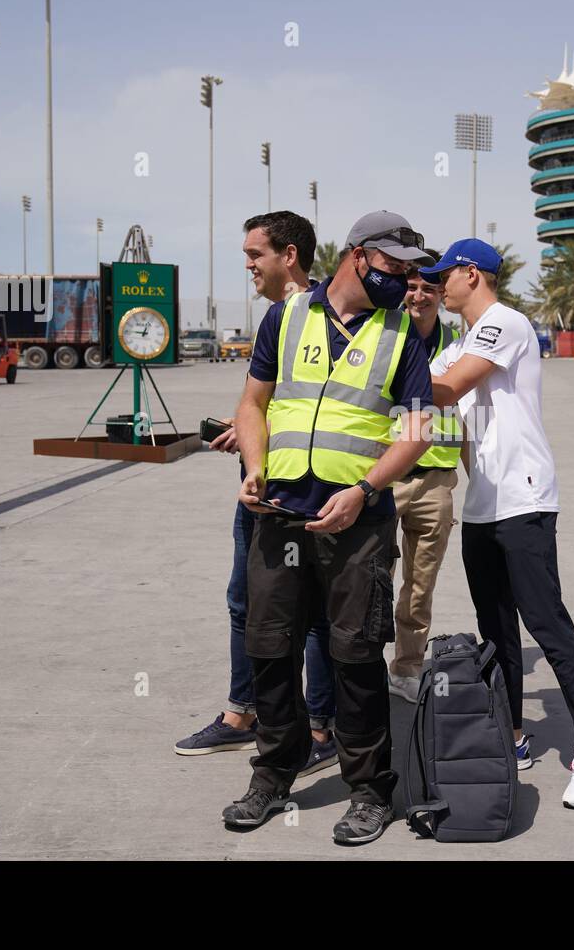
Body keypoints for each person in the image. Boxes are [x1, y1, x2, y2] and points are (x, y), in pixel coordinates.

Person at [221, 211, 434, 845]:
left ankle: (369, 789)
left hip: (357, 524)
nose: (403, 278)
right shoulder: (286, 317)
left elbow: (418, 432)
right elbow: (253, 403)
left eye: (409, 269)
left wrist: (365, 491)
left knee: (356, 654)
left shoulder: (403, 334)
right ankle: (273, 774)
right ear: (356, 255)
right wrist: (254, 467)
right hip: (278, 516)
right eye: (393, 265)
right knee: (269, 648)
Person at [426, 238, 574, 810]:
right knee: (496, 629)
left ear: (472, 273)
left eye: (444, 276)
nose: (438, 286)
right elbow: (431, 400)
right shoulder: (459, 343)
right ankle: (511, 735)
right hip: (484, 504)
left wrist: (384, 370)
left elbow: (445, 389)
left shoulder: (503, 324)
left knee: (544, 619)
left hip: (525, 497)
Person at [176, 211, 339, 781]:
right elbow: (266, 402)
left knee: (313, 616)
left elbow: (325, 410)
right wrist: (244, 432)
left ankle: (320, 729)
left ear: (288, 255)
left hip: (307, 491)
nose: (247, 265)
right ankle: (242, 713)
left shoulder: (324, 316)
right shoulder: (278, 317)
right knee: (244, 601)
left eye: (255, 255)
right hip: (261, 485)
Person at [385, 253, 464, 702]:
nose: (418, 295)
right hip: (385, 476)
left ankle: (407, 668)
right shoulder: (384, 334)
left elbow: (469, 415)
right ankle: (358, 667)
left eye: (428, 288)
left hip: (436, 482)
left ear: (440, 294)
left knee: (420, 585)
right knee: (370, 579)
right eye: (411, 286)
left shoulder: (458, 345)